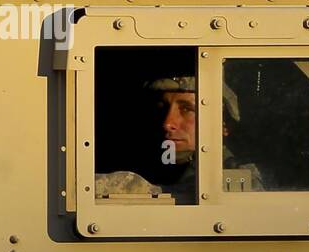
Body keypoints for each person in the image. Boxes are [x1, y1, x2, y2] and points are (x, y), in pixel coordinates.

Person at [95, 75, 257, 203]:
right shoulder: (155, 162)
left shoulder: (235, 176)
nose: (167, 123)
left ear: (223, 125)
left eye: (187, 109)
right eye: (162, 107)